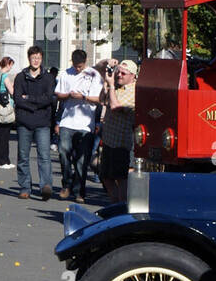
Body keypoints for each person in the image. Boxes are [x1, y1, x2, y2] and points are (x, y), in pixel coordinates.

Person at [55, 48, 104, 203]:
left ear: (85, 62)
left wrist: (83, 97)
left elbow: (99, 99)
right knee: (63, 151)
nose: (78, 69)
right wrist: (69, 95)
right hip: (67, 121)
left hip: (85, 123)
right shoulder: (65, 74)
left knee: (82, 159)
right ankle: (66, 183)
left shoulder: (94, 75)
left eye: (80, 66)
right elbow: (58, 95)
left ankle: (79, 190)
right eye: (76, 66)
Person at [13, 45, 57, 200]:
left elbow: (48, 99)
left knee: (44, 155)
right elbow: (18, 99)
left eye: (38, 58)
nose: (36, 61)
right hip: (24, 122)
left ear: (41, 59)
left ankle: (46, 185)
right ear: (29, 59)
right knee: (23, 156)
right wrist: (33, 102)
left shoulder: (48, 78)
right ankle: (25, 187)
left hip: (42, 122)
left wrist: (29, 99)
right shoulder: (20, 77)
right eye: (33, 58)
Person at [99, 58, 138, 202]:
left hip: (122, 143)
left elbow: (115, 107)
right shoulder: (116, 86)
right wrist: (106, 82)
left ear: (132, 76)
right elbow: (102, 100)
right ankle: (115, 204)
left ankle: (122, 207)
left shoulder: (134, 91)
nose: (119, 75)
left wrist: (111, 86)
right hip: (109, 139)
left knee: (121, 178)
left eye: (123, 73)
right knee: (105, 176)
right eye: (118, 72)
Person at [0, 56, 16, 168]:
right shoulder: (5, 76)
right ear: (8, 64)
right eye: (11, 65)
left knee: (0, 134)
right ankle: (4, 161)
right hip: (5, 107)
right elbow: (12, 91)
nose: (11, 67)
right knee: (5, 135)